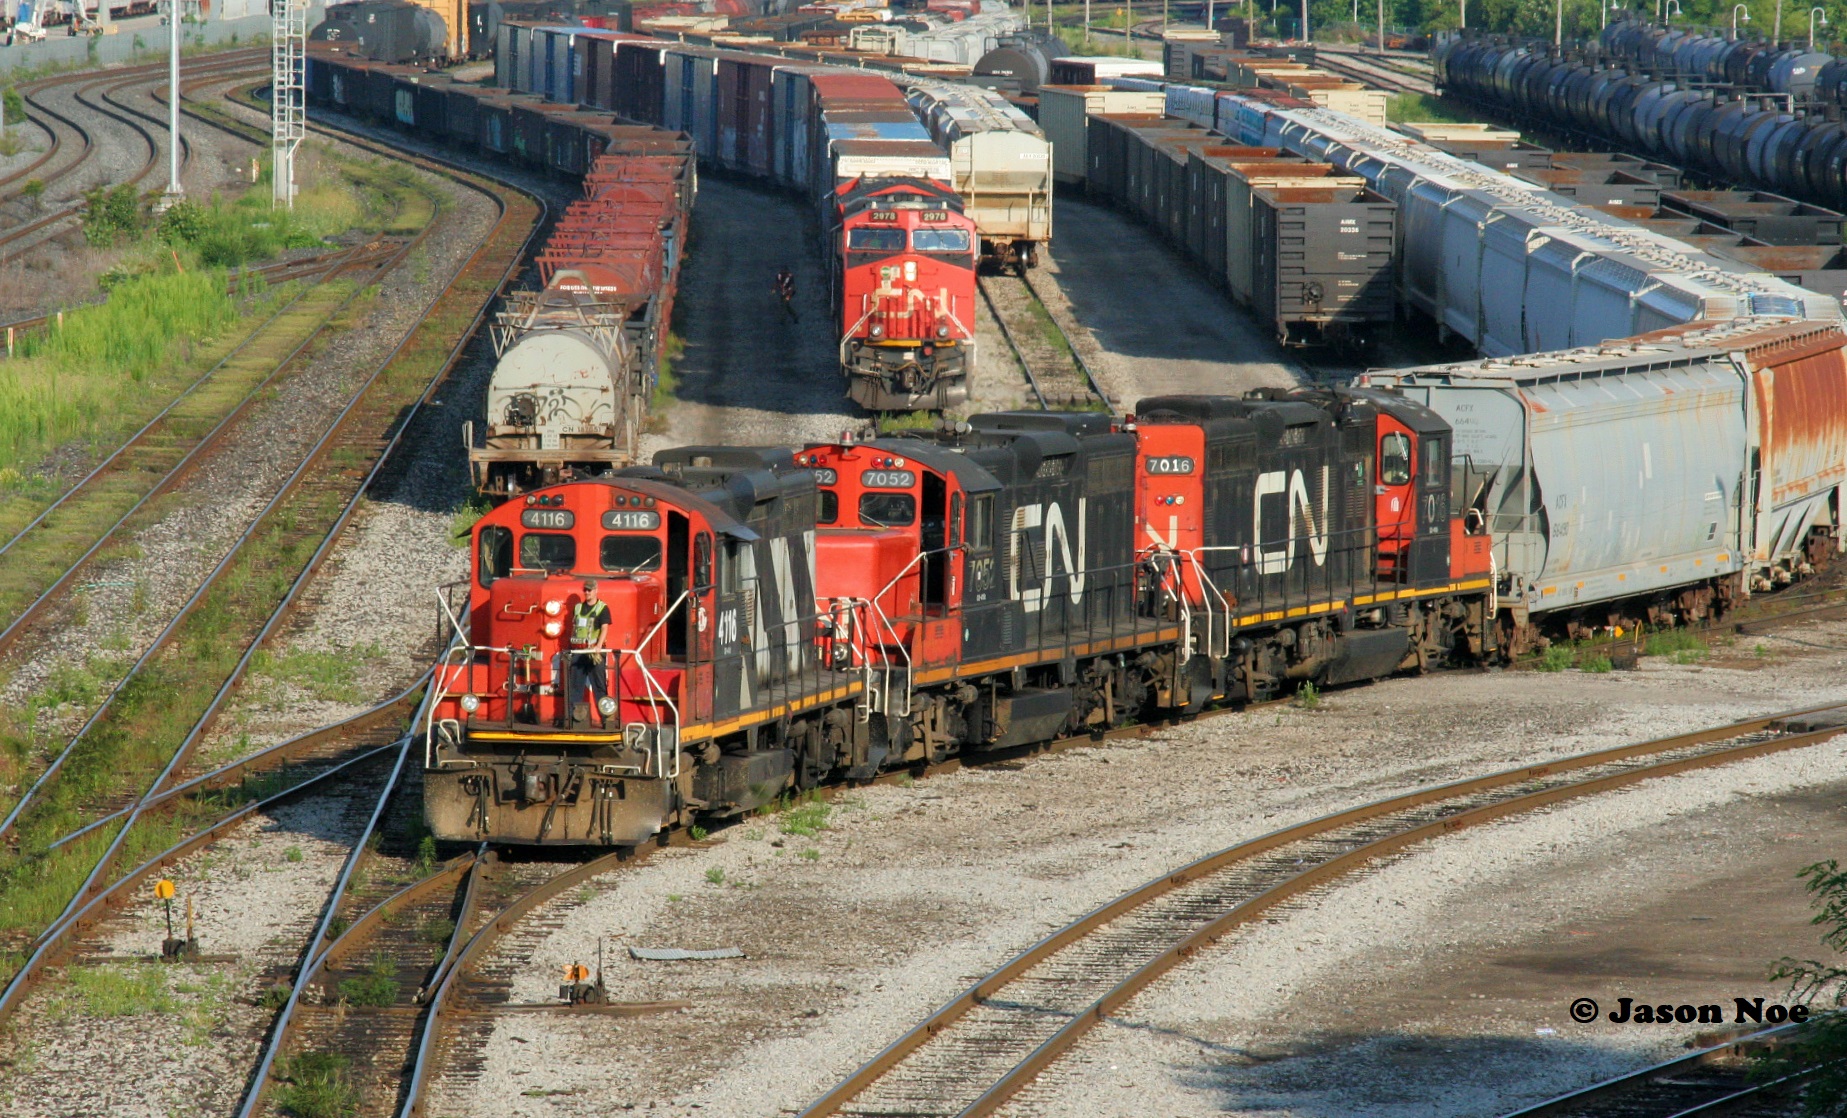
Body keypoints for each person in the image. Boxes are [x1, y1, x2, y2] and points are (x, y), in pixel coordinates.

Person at [569, 578, 612, 726]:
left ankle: (606, 719)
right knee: (575, 686)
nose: (587, 592)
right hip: (578, 652)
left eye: (589, 590)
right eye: (585, 590)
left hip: (594, 653)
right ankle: (573, 720)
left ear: (596, 590)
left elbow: (605, 628)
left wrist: (599, 646)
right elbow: (574, 627)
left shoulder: (602, 608)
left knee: (599, 686)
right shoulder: (577, 608)